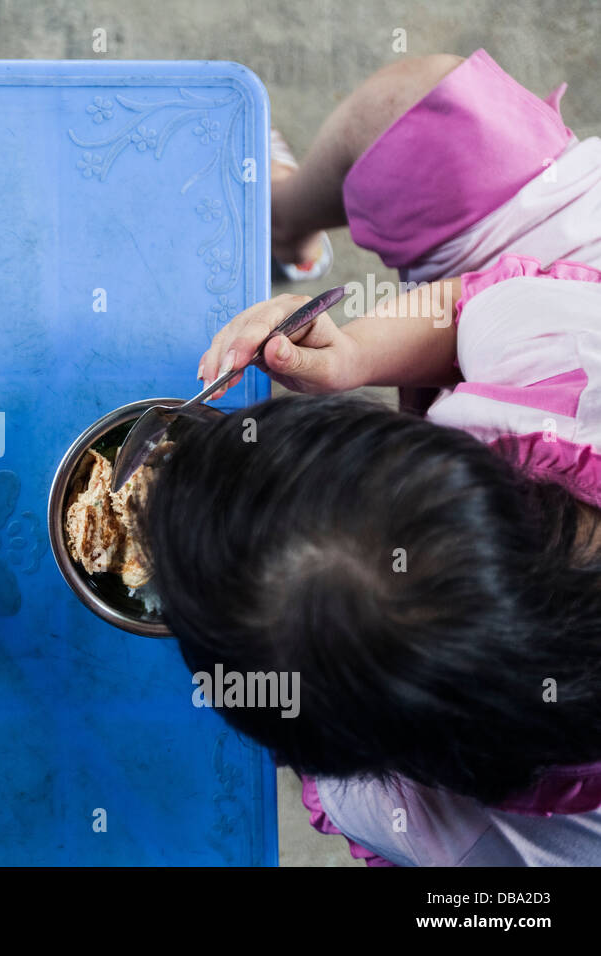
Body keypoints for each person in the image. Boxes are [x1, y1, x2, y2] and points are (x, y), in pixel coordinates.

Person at [147, 49, 601, 865]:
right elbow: (471, 308)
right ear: (461, 463)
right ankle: (287, 217)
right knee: (415, 97)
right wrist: (353, 352)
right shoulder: (562, 351)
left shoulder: (470, 844)